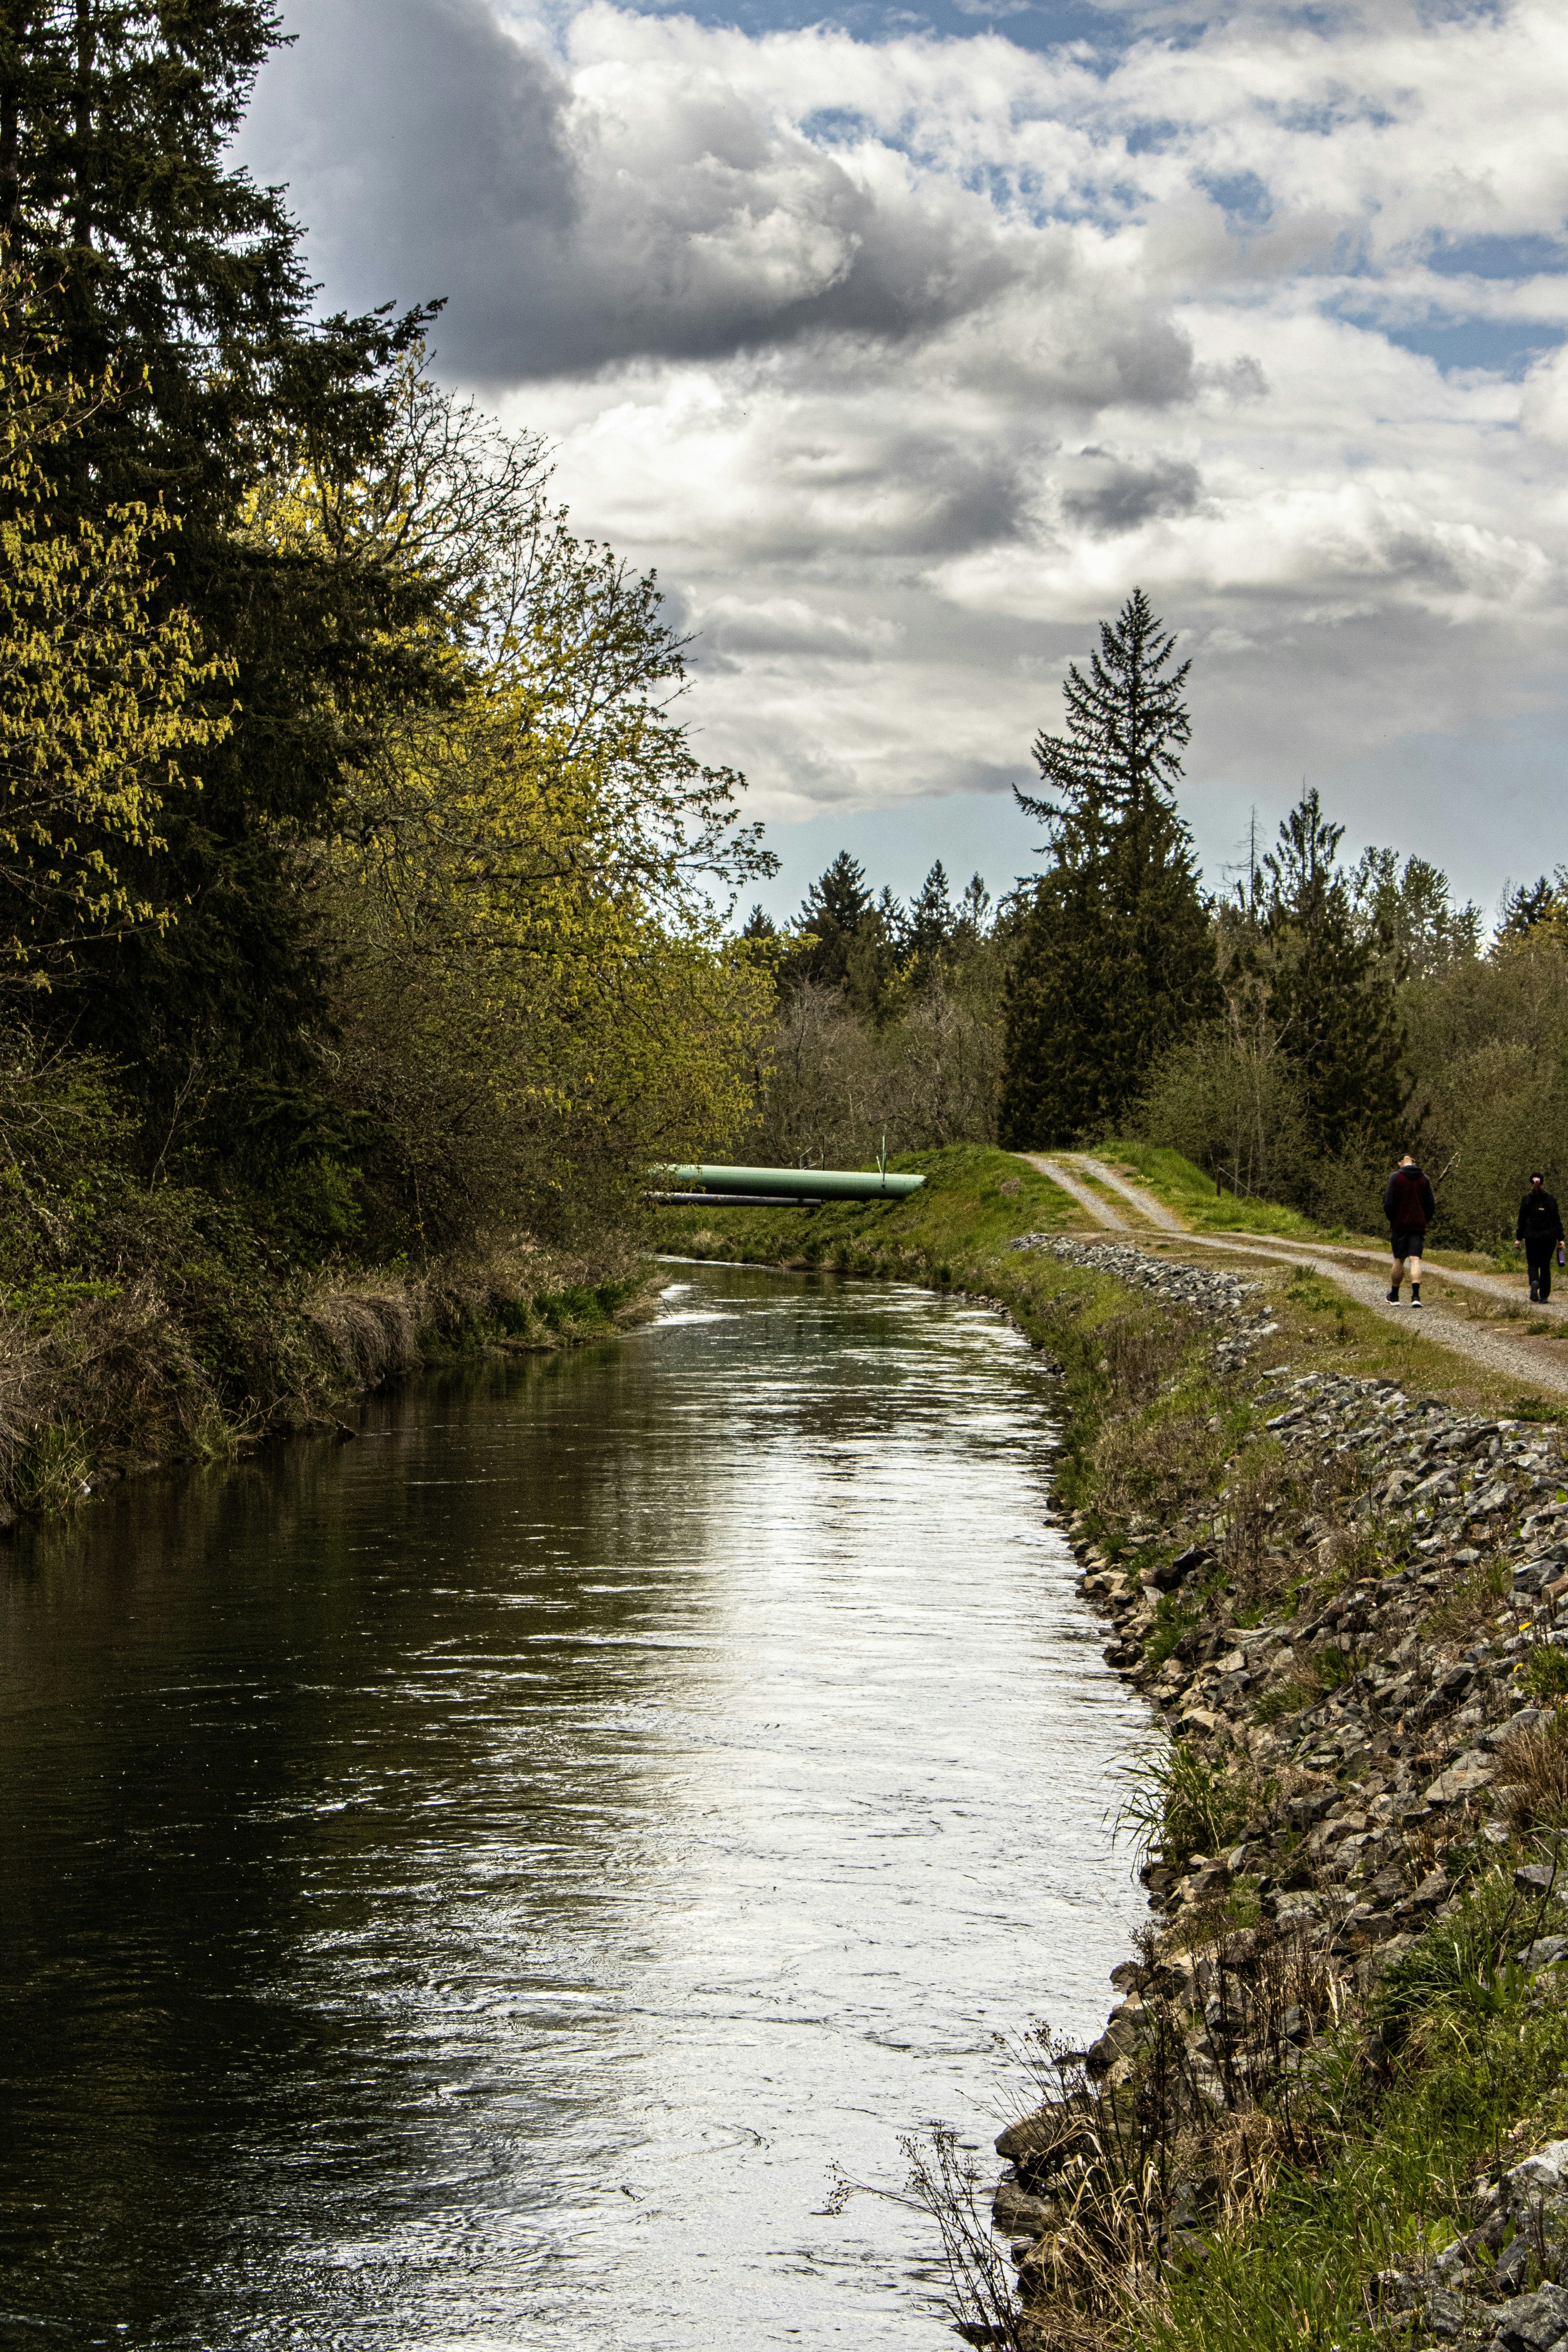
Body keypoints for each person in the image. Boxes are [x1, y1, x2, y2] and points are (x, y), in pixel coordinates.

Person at [1384, 1152, 1436, 1307]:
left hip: (1400, 1225)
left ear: (1400, 1163)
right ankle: (1416, 1297)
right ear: (1413, 1163)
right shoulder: (1424, 1179)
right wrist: (1424, 1220)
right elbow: (1431, 1205)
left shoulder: (1395, 1178)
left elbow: (1388, 1203)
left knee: (1399, 1259)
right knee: (1415, 1259)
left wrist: (1393, 1219)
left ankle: (1394, 1296)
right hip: (1418, 1225)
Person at [1515, 1171, 1565, 1302]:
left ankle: (1534, 1282)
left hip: (1531, 1237)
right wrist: (1561, 1238)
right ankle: (1544, 1296)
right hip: (1549, 1238)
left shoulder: (1527, 1199)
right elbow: (1556, 1220)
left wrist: (1519, 1238)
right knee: (1545, 1266)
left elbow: (1522, 1221)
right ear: (1542, 1183)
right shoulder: (1550, 1199)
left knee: (1532, 1263)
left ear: (1531, 1183)